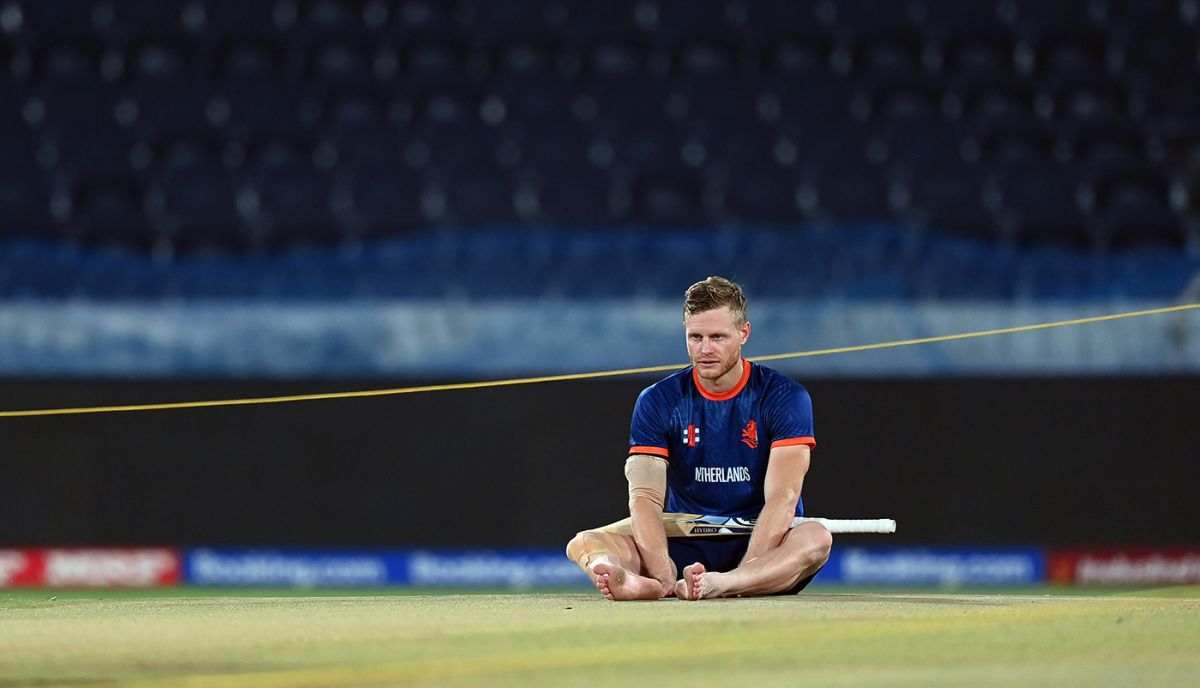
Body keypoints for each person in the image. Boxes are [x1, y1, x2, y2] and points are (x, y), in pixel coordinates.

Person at [566, 276, 831, 600]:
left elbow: (783, 498)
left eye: (717, 337)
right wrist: (663, 574)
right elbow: (645, 497)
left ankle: (728, 584)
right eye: (696, 337)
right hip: (683, 539)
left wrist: (740, 574)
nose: (705, 349)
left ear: (743, 333)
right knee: (585, 543)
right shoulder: (657, 400)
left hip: (763, 544)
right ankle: (638, 582)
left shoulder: (784, 397)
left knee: (817, 538)